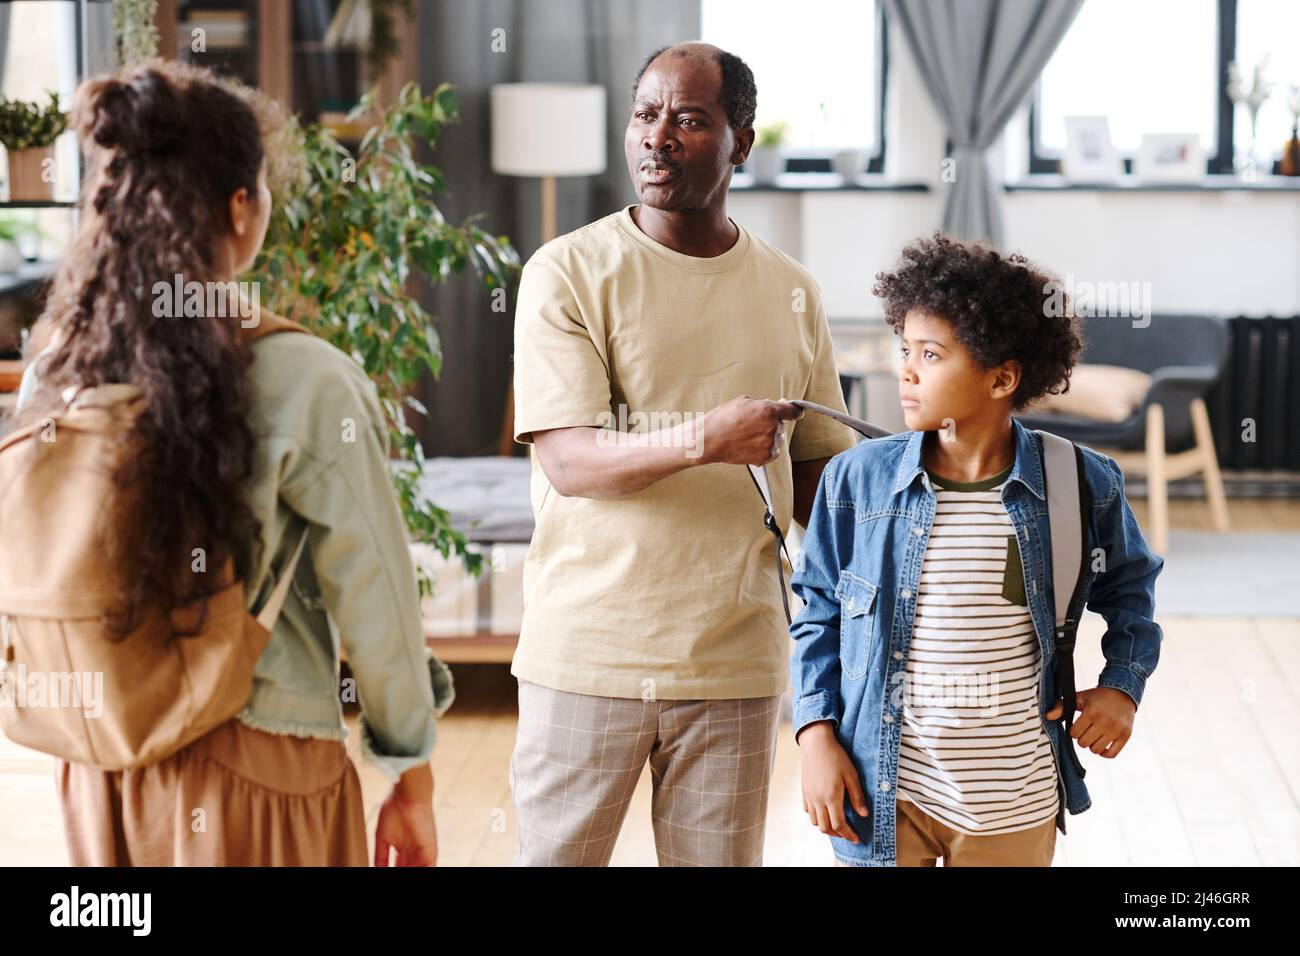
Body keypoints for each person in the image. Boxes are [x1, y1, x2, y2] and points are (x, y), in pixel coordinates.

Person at [14, 61, 452, 867]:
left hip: (98, 761)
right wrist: (412, 780)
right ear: (241, 207)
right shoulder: (307, 379)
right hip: (261, 765)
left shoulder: (55, 370)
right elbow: (377, 602)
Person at [508, 42, 858, 866]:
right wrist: (705, 439)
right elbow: (570, 461)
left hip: (736, 660)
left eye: (689, 120)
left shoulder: (793, 290)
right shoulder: (565, 272)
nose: (657, 138)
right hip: (587, 654)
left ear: (741, 139)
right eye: (644, 114)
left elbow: (823, 486)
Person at [791, 233, 1164, 866]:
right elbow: (817, 609)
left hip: (1011, 798)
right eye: (904, 349)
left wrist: (1121, 688)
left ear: (1002, 377)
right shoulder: (855, 480)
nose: (905, 369)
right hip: (880, 790)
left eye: (931, 354)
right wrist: (814, 736)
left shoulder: (1078, 482)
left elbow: (1131, 593)